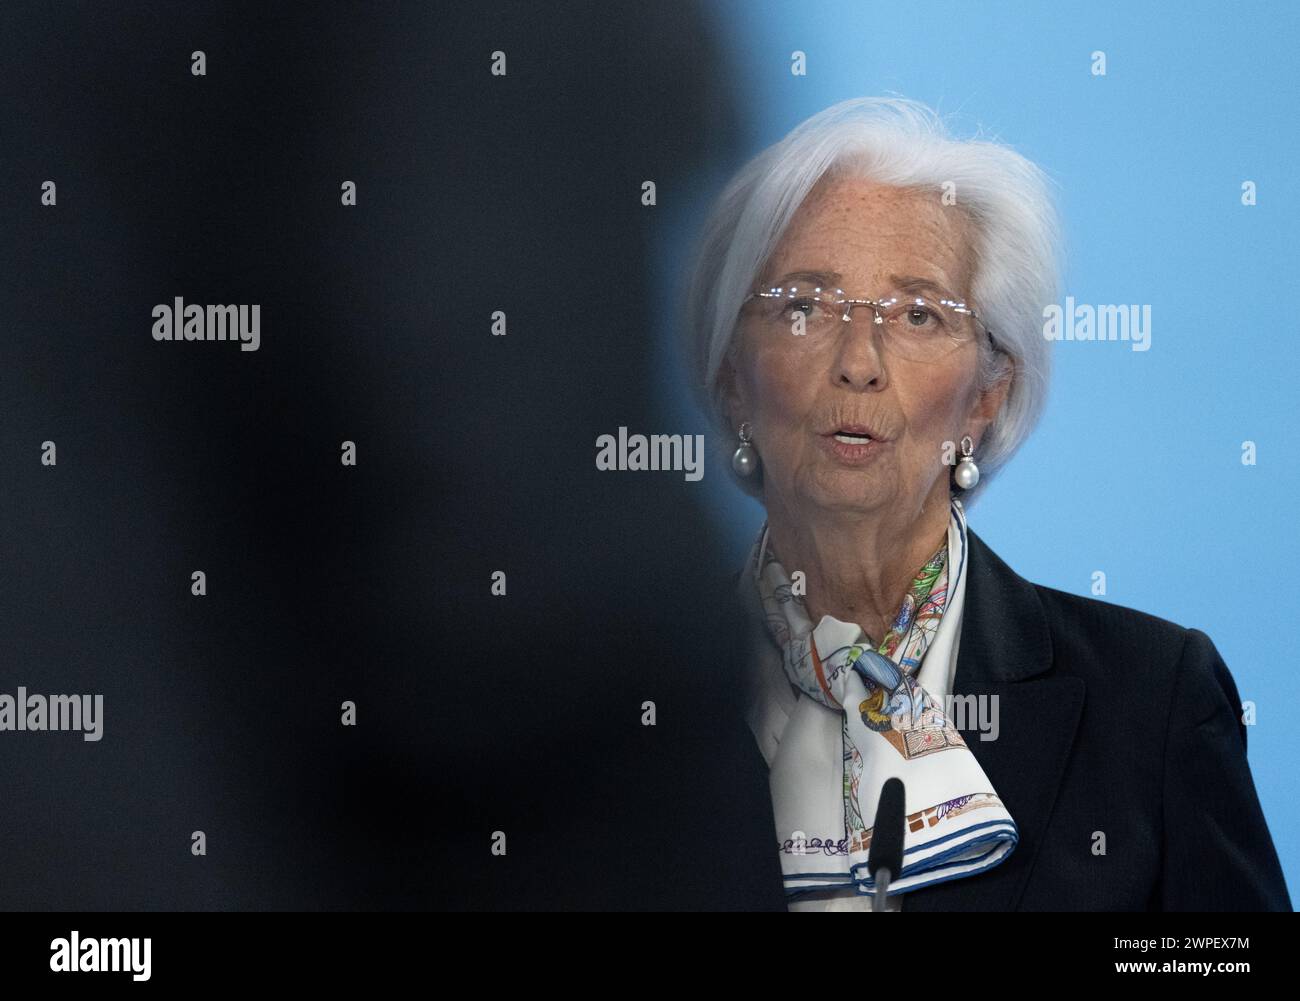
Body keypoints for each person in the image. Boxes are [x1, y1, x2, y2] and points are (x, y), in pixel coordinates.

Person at [679, 96, 1292, 911]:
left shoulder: (1153, 701)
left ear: (987, 396)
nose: (858, 361)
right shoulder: (614, 711)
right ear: (732, 380)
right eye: (804, 307)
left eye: (920, 315)